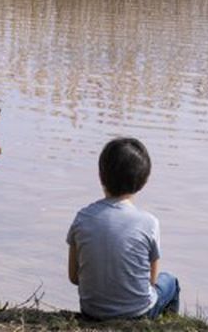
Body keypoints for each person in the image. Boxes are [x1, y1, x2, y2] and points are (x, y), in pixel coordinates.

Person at [67, 137, 180, 320]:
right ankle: (166, 324)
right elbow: (151, 281)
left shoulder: (82, 217)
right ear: (144, 181)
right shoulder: (149, 223)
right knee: (171, 282)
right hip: (138, 313)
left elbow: (74, 277)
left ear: (100, 176)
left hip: (91, 311)